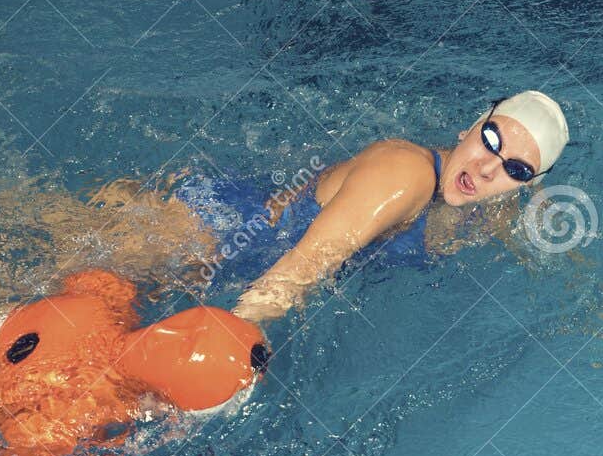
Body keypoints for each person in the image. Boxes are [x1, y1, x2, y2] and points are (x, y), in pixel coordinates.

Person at [230, 90, 569, 324]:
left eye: (516, 169)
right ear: (469, 129)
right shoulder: (405, 174)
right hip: (222, 234)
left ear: (527, 185)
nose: (487, 169)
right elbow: (299, 271)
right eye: (491, 140)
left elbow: (563, 271)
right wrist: (236, 340)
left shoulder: (493, 211)